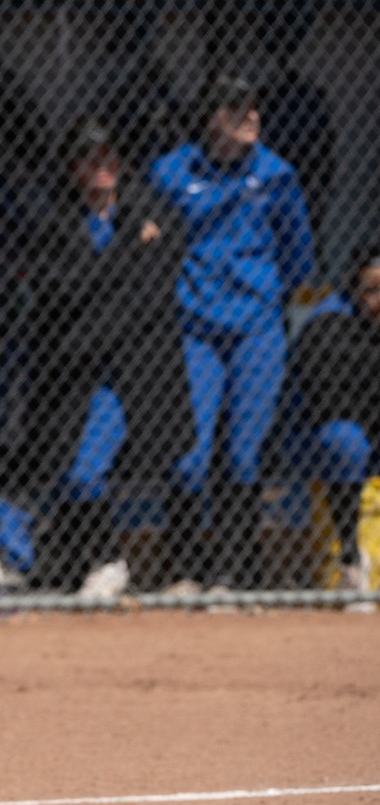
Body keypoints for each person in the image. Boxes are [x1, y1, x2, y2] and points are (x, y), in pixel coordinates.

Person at [148, 73, 315, 593]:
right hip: (194, 324)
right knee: (190, 451)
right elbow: (151, 239)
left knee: (244, 450)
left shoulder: (277, 174)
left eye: (254, 106)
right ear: (212, 116)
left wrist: (265, 294)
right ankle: (184, 569)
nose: (252, 117)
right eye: (238, 108)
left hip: (255, 327)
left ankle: (237, 570)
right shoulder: (173, 171)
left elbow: (299, 256)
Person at [19, 118, 194, 596]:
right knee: (79, 474)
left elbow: (149, 296)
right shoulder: (59, 226)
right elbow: (63, 290)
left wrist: (99, 293)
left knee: (121, 467)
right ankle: (108, 559)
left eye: (110, 158)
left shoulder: (151, 212)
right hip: (79, 371)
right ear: (74, 169)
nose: (103, 168)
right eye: (91, 160)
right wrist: (125, 254)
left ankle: (128, 564)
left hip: (134, 371)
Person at [282, 245, 380, 590]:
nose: (379, 300)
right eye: (372, 290)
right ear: (353, 289)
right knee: (346, 441)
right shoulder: (328, 321)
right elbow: (332, 397)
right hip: (317, 437)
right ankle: (350, 560)